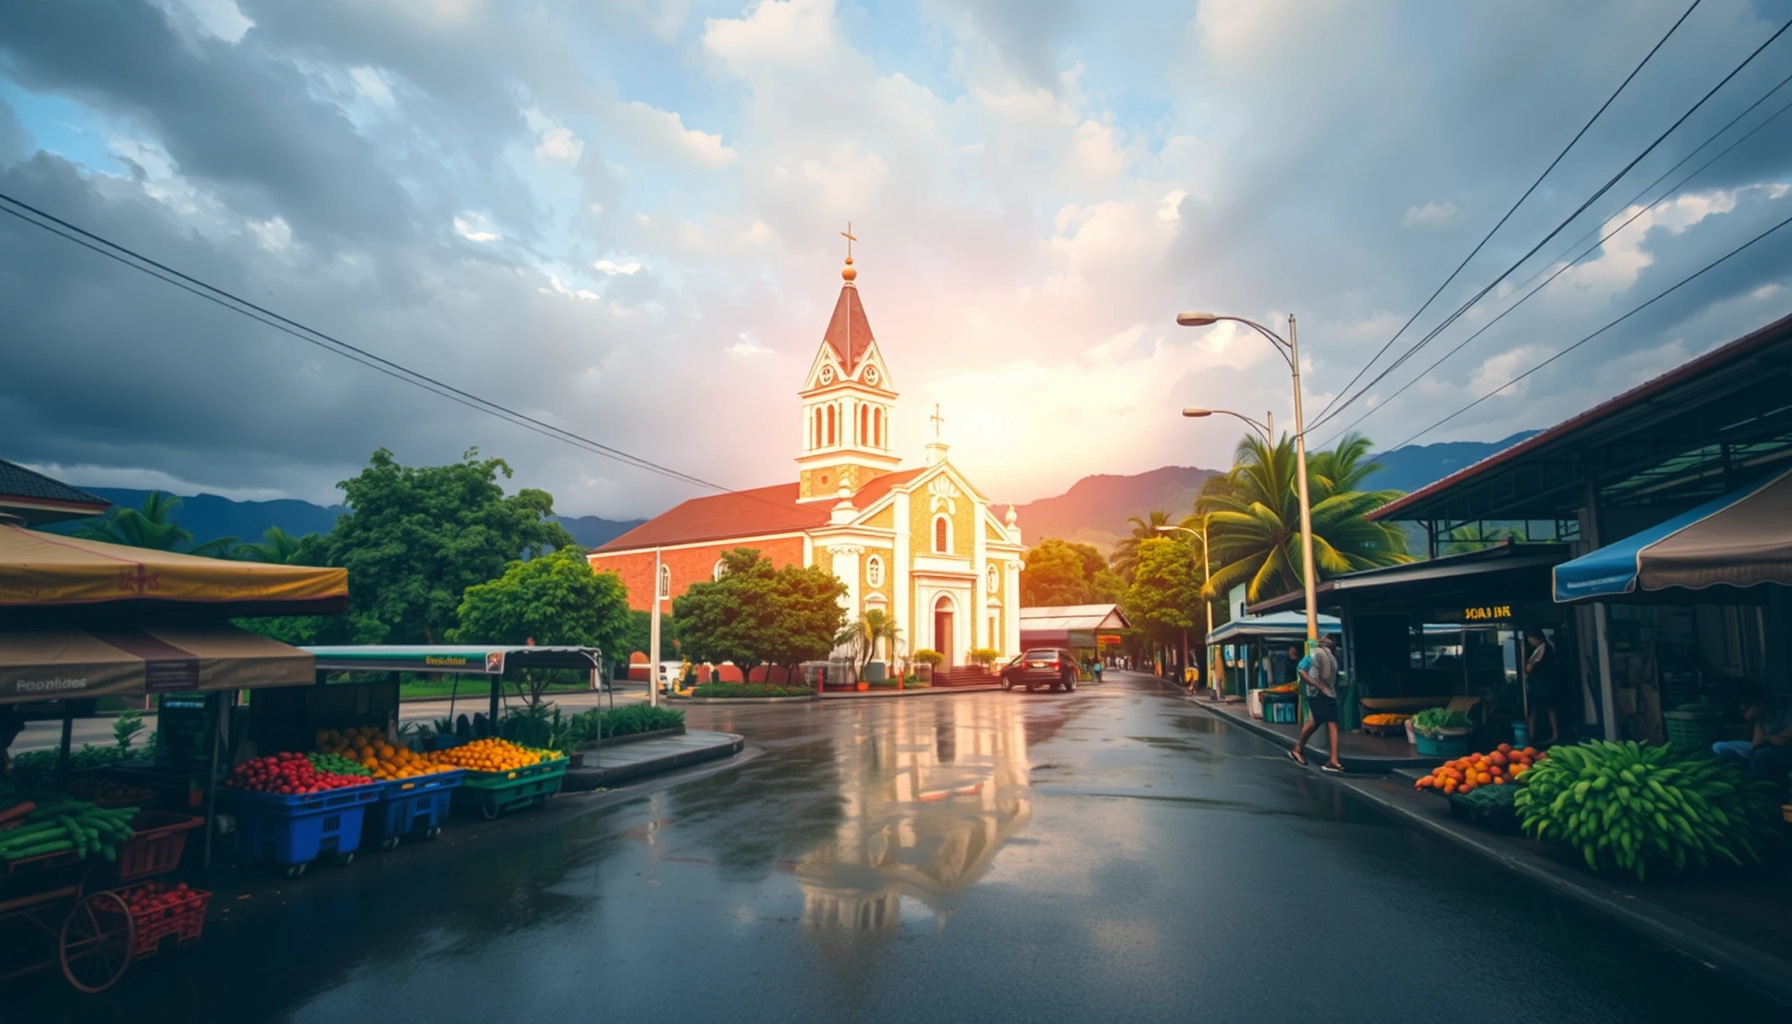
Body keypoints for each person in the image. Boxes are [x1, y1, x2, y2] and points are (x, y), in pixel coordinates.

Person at [1712, 688, 1792, 789]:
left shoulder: (1785, 711)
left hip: (1784, 750)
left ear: (1759, 704)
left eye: (1746, 709)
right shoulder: (1759, 720)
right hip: (1765, 745)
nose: (1744, 714)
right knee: (1719, 747)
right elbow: (1757, 743)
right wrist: (1765, 739)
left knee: (1760, 755)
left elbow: (1785, 740)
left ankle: (1765, 790)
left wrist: (1767, 738)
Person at [1290, 635, 1343, 773]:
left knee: (1314, 723)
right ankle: (1333, 760)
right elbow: (1301, 669)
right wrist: (1316, 685)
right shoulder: (1315, 654)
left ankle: (1298, 749)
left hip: (1328, 693)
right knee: (1331, 723)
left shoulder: (1331, 657)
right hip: (1317, 694)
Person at [1523, 629, 1562, 747]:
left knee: (1538, 709)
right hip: (1543, 684)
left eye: (1531, 639)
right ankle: (1534, 735)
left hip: (1541, 685)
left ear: (1537, 638)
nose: (1530, 642)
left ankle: (1533, 736)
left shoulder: (1543, 650)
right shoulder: (1546, 649)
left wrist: (1530, 666)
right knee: (1546, 709)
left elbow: (1531, 667)